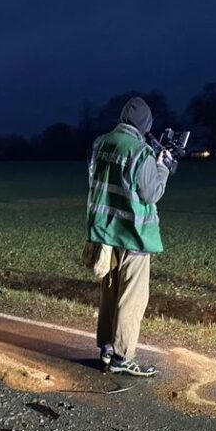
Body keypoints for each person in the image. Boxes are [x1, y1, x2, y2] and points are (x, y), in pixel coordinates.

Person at [84, 96, 172, 377]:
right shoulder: (140, 151)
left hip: (104, 232)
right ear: (145, 124)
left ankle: (107, 348)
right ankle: (123, 357)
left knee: (109, 293)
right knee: (132, 299)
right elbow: (152, 193)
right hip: (133, 234)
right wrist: (163, 168)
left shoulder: (100, 143)